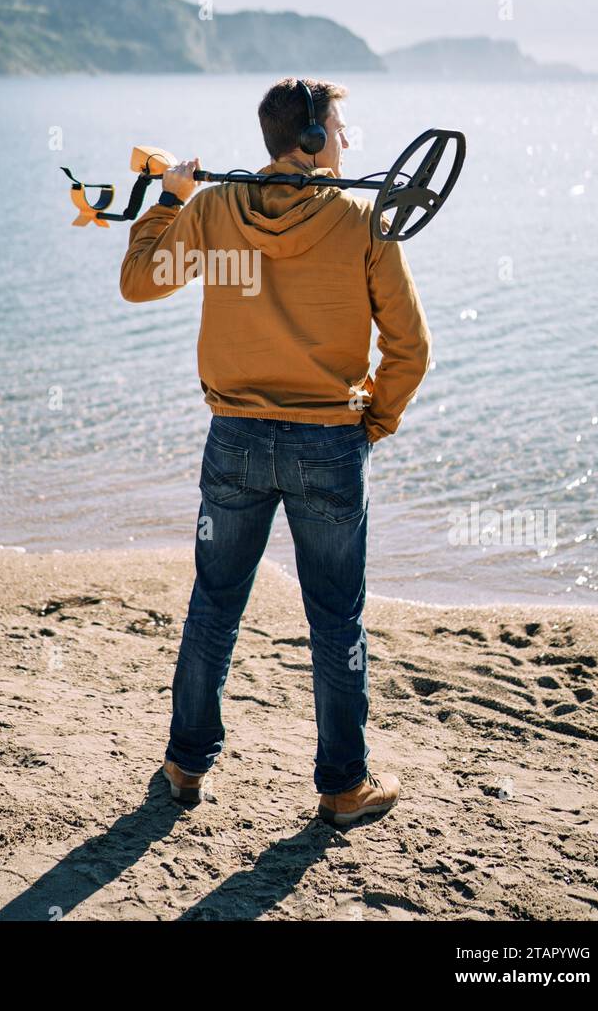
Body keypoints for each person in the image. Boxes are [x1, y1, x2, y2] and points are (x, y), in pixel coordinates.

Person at [119, 78, 432, 827]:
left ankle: (185, 766)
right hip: (329, 444)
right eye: (342, 129)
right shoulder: (363, 219)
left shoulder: (216, 209)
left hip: (234, 437)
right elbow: (410, 350)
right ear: (316, 140)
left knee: (215, 606)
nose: (350, 141)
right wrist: (372, 425)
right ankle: (343, 786)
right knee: (336, 618)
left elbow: (139, 282)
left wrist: (170, 198)